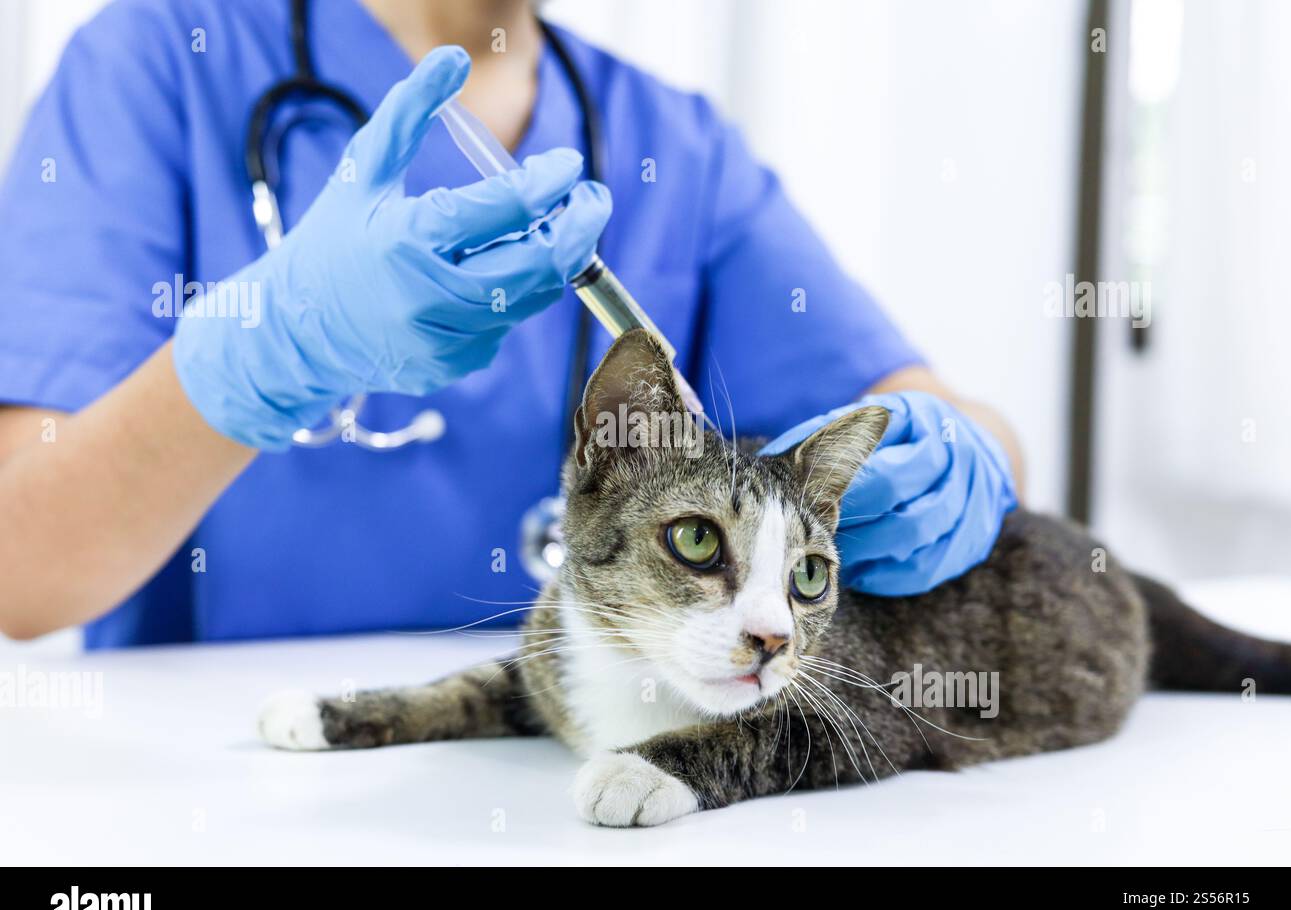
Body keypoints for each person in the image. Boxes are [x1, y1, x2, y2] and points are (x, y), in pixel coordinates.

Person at [0, 0, 1022, 647]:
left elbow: (928, 411)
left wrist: (963, 461)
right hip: (212, 796)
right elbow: (19, 566)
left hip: (565, 774)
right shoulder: (158, 58)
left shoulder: (671, 142)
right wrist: (266, 350)